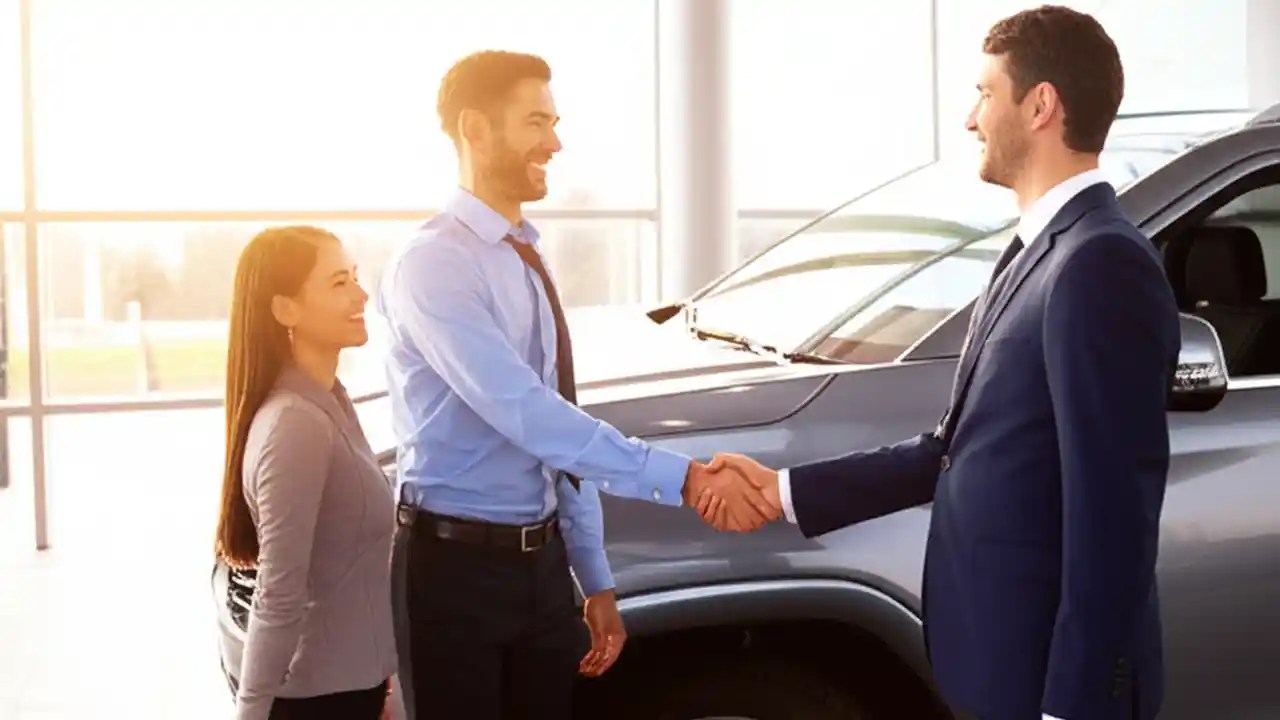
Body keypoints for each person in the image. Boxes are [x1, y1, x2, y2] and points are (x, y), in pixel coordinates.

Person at [699, 7, 1179, 720]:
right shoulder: (1036, 253)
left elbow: (1112, 520)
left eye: (985, 93)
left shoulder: (1100, 264)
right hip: (996, 667)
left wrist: (1071, 708)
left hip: (1047, 690)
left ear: (1040, 104)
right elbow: (954, 452)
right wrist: (782, 490)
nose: (970, 119)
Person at [376, 50, 767, 720]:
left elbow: (560, 416)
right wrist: (685, 478)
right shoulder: (433, 265)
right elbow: (527, 414)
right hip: (452, 575)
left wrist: (592, 575)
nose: (555, 142)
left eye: (553, 122)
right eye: (535, 121)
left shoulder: (523, 254)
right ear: (475, 129)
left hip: (540, 571)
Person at [213, 225, 398, 720]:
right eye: (339, 283)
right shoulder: (294, 424)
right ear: (285, 309)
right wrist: (251, 711)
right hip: (318, 702)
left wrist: (380, 685)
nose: (361, 294)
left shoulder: (329, 402)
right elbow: (279, 591)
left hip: (353, 691)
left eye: (356, 278)